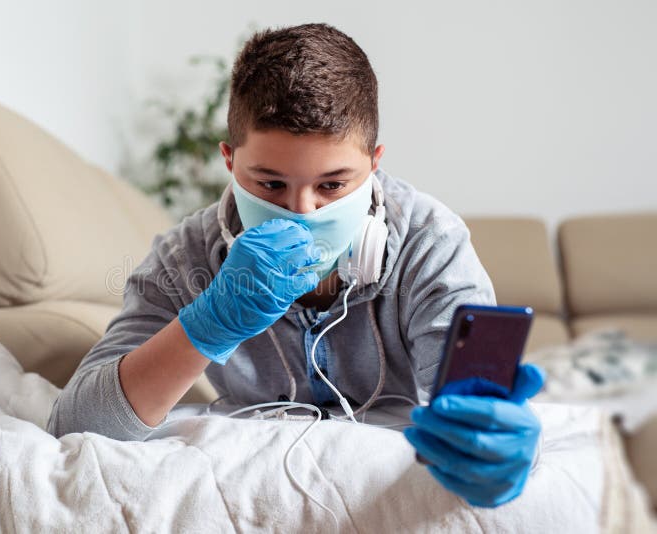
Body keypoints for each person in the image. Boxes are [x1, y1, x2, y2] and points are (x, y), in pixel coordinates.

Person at [48, 22, 544, 508]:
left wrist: (490, 447)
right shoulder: (183, 259)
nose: (302, 211)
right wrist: (208, 323)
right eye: (269, 185)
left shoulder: (431, 244)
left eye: (332, 185)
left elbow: (475, 413)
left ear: (375, 164)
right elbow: (77, 426)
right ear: (229, 161)